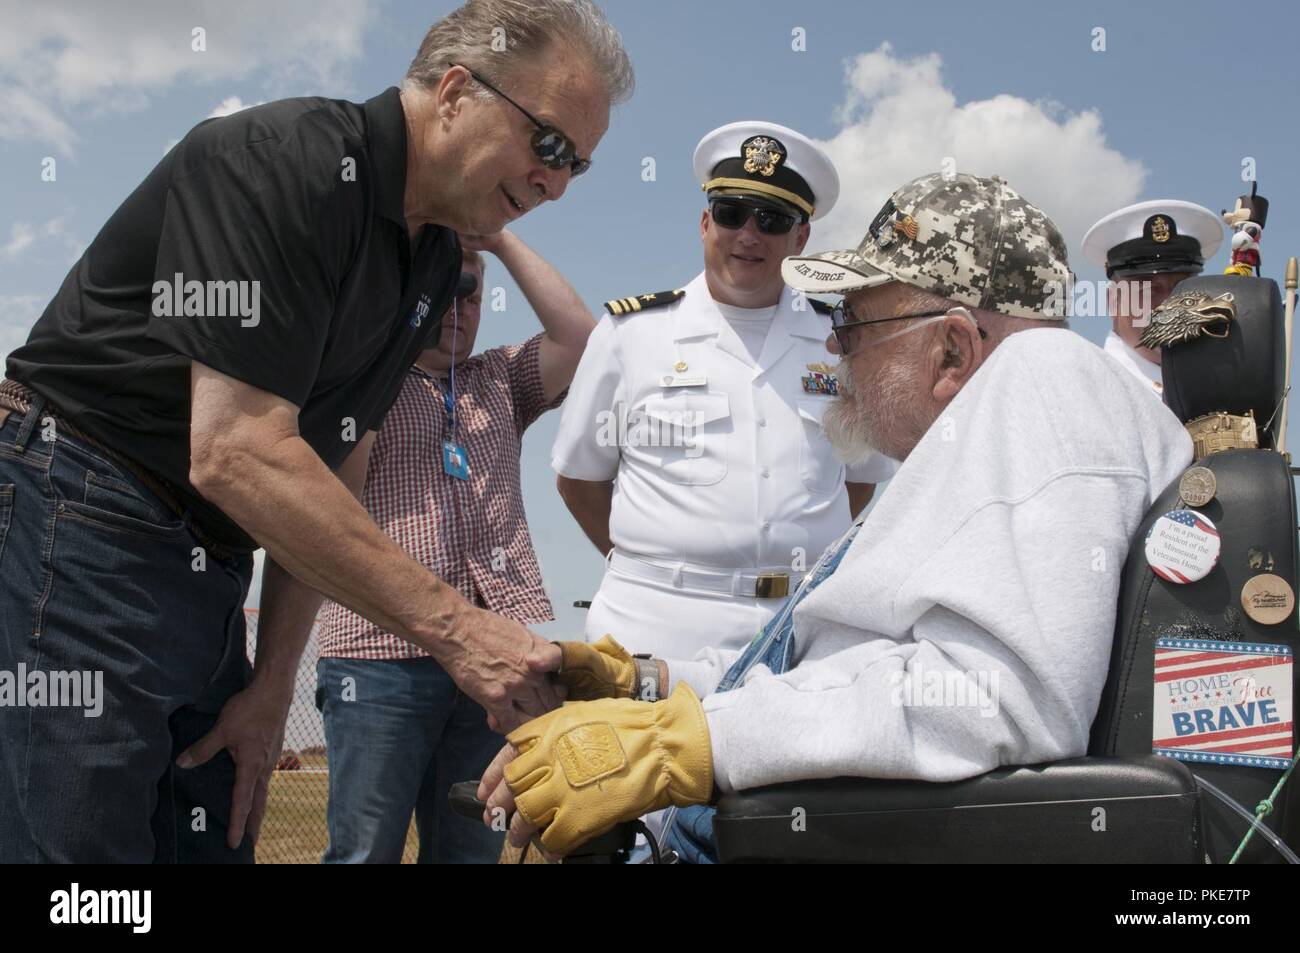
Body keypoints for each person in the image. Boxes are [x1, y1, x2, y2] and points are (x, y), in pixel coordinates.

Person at [0, 0, 631, 863]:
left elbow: (326, 469)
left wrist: (269, 687)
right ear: (454, 91)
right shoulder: (279, 162)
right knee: (82, 861)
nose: (555, 183)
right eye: (549, 144)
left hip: (205, 565)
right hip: (74, 519)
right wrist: (463, 632)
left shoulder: (436, 258)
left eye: (580, 167)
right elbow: (235, 450)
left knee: (207, 839)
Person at [481, 172, 1194, 858]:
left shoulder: (1044, 379)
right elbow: (846, 669)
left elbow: (993, 696)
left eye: (854, 321)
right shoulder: (977, 437)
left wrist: (691, 740)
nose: (832, 342)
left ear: (951, 348)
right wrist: (649, 683)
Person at [551, 121, 897, 662]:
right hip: (654, 630)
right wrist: (658, 568)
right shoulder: (630, 334)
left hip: (799, 635)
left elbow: (857, 480)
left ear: (801, 238)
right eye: (732, 214)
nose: (749, 235)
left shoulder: (843, 343)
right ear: (705, 222)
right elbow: (578, 480)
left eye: (774, 220)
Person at [315, 232, 593, 864]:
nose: (454, 306)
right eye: (436, 287)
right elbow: (334, 508)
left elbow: (579, 337)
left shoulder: (500, 379)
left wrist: (493, 237)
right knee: (365, 852)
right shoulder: (362, 377)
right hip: (378, 656)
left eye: (467, 290)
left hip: (491, 664)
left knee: (470, 851)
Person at [1081, 200, 1223, 396]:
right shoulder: (1095, 390)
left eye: (1181, 286)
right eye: (1149, 290)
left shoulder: (1216, 383)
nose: (1168, 303)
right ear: (1113, 301)